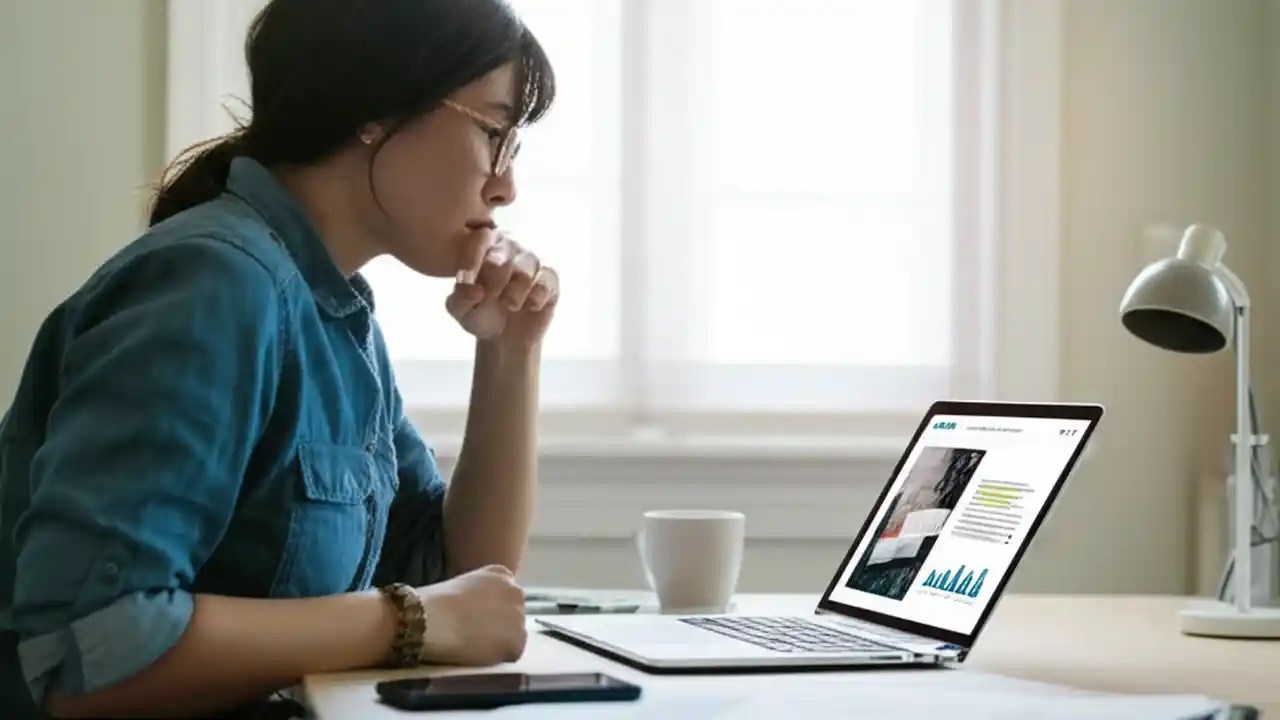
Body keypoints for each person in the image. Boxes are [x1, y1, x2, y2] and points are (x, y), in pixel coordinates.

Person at [0, 0, 558, 717]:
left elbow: (463, 583)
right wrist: (409, 622)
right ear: (376, 108)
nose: (506, 185)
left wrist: (511, 353)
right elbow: (89, 657)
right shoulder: (213, 286)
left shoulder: (334, 315)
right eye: (493, 132)